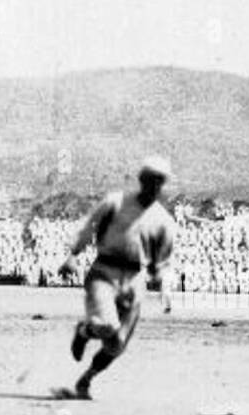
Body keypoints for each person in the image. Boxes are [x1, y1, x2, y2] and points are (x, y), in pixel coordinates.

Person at [56, 156, 178, 400]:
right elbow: (89, 226)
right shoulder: (115, 203)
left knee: (116, 344)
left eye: (159, 182)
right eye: (150, 180)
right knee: (106, 325)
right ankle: (84, 332)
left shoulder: (164, 222)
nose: (154, 186)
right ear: (141, 180)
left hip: (135, 280)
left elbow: (164, 261)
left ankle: (85, 381)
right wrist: (73, 255)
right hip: (104, 271)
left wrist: (166, 288)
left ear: (163, 185)